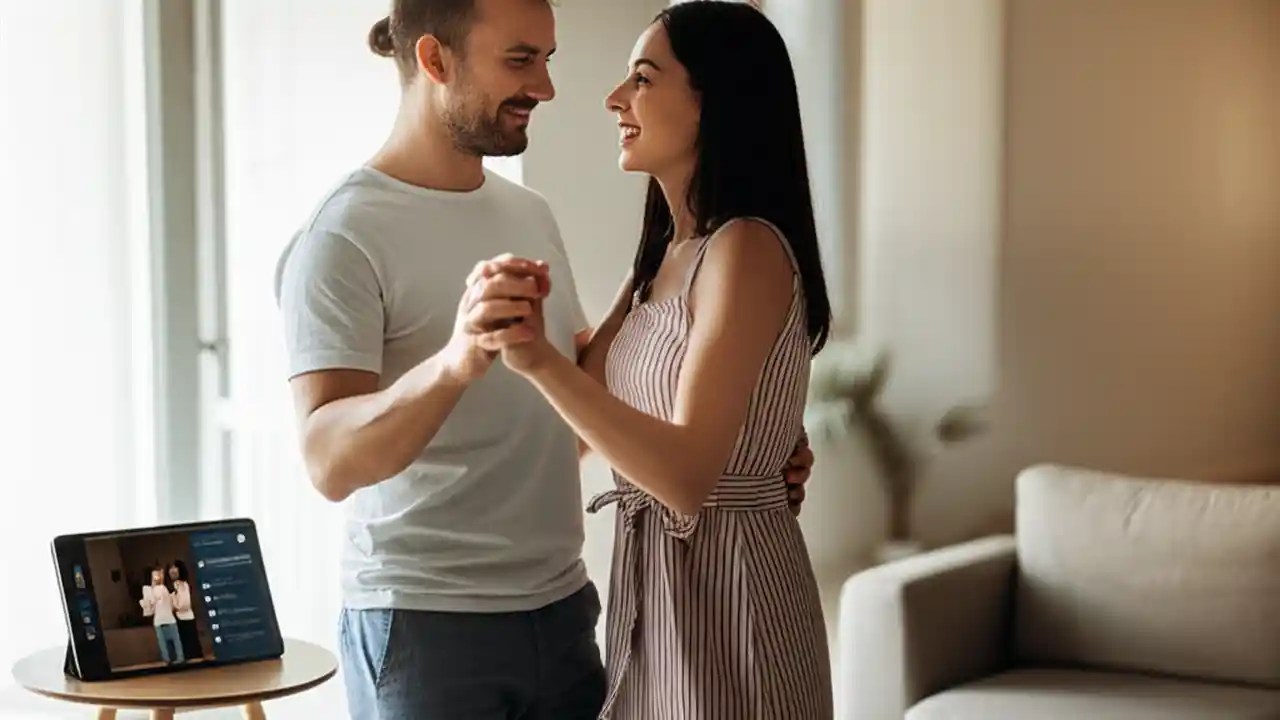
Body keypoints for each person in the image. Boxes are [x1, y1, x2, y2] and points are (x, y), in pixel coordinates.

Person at [275, 0, 812, 718]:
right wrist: (458, 361)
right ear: (435, 60)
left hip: (565, 613)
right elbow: (326, 461)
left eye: (547, 59)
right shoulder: (342, 234)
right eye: (521, 60)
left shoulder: (529, 214)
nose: (548, 88)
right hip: (430, 623)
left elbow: (584, 404)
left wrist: (752, 429)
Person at [479, 3, 835, 717]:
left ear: (716, 100)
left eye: (643, 78)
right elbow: (575, 435)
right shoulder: (661, 260)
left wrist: (539, 360)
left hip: (735, 604)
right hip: (656, 598)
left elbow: (683, 477)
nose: (616, 99)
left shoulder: (746, 248)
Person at [139, 567, 185, 666]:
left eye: (160, 575)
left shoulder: (166, 588)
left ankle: (178, 658)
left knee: (174, 641)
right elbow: (149, 606)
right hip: (159, 620)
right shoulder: (148, 590)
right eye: (155, 576)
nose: (158, 577)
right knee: (163, 643)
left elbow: (173, 603)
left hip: (169, 618)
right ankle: (167, 659)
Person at [168, 561, 201, 662]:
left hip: (186, 618)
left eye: (175, 568)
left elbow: (184, 604)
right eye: (170, 569)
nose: (172, 571)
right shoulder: (172, 586)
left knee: (191, 644)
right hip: (178, 619)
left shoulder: (183, 585)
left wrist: (174, 602)